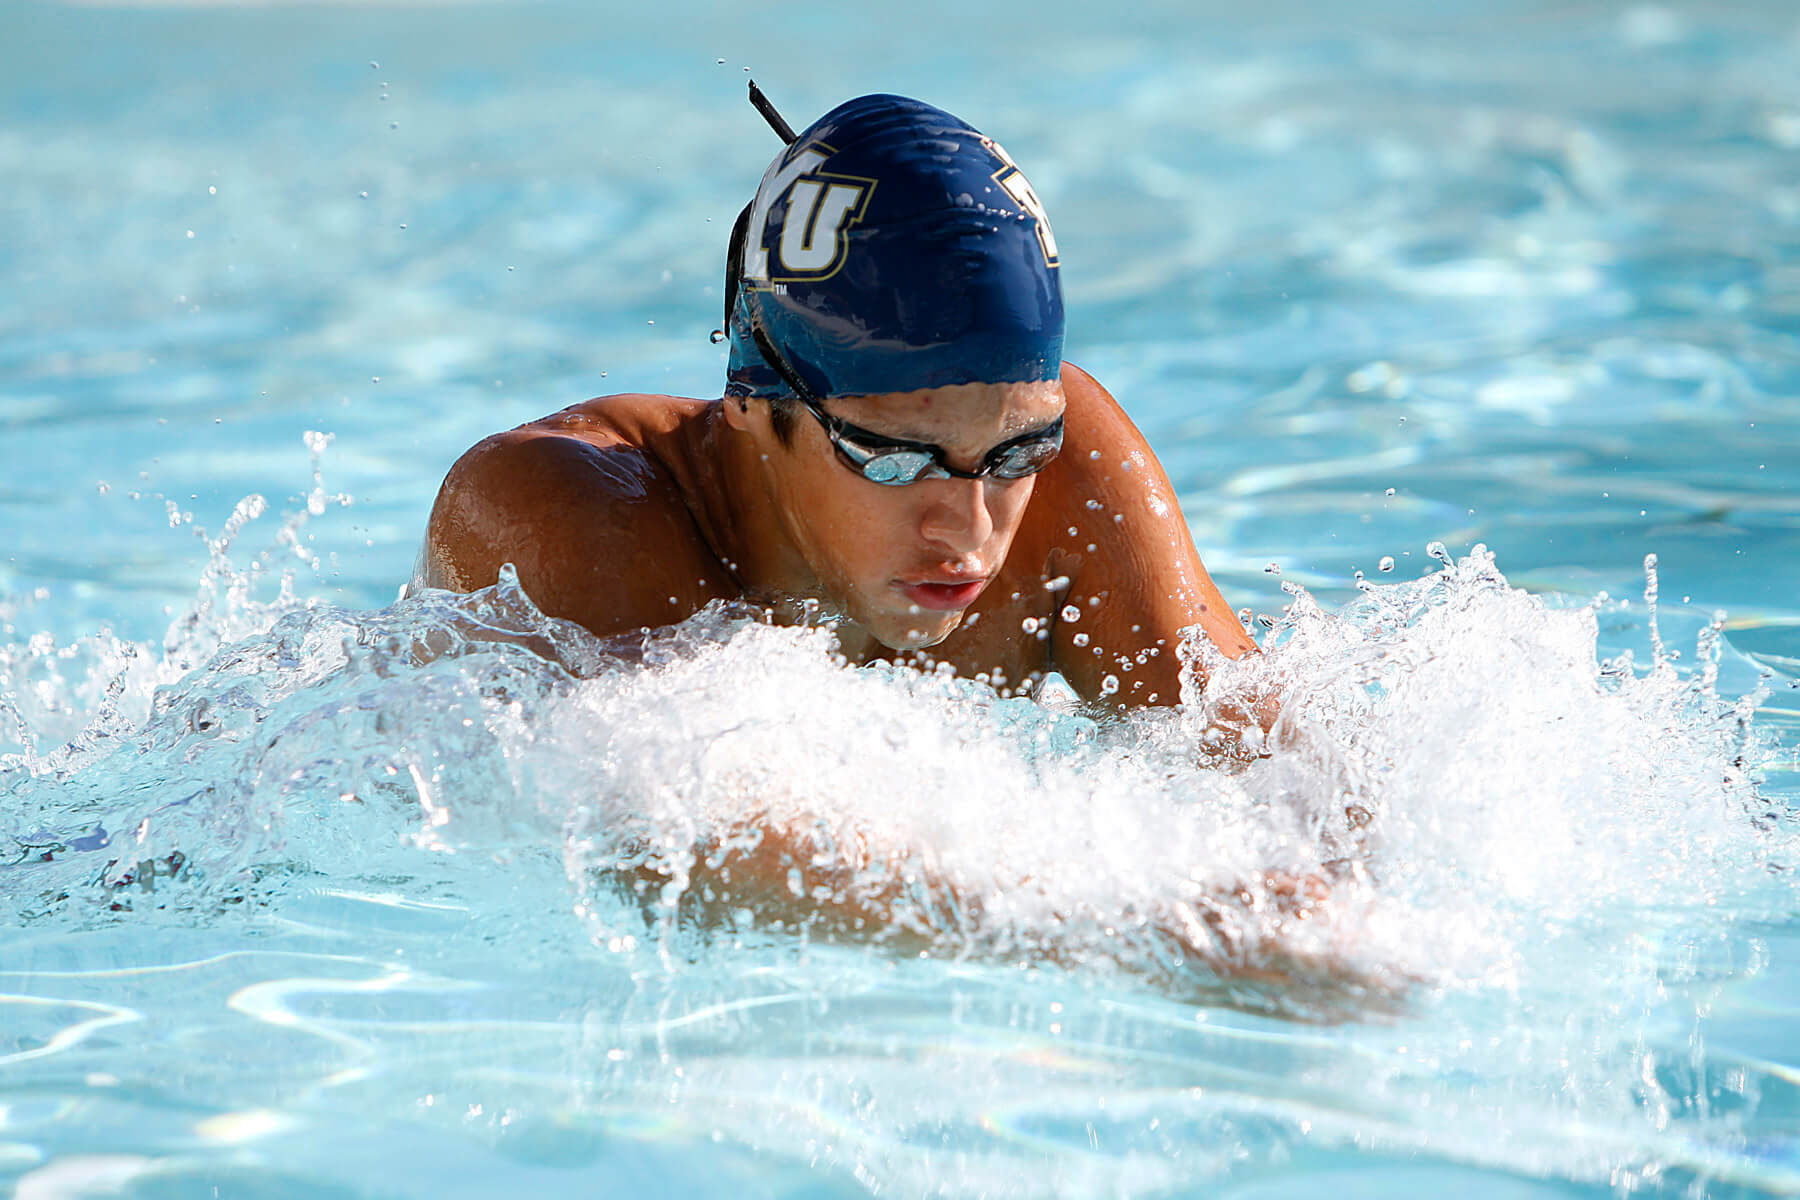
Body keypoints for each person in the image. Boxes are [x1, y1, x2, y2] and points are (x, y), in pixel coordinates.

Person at [419, 86, 1257, 715]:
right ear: (754, 402)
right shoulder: (560, 509)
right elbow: (718, 853)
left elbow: (1271, 767)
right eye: (894, 459)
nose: (970, 530)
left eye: (1018, 453)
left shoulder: (1069, 464)